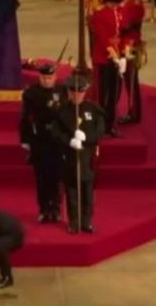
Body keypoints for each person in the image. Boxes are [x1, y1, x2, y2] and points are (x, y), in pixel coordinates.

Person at [52, 75, 104, 234]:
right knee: (72, 192)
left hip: (87, 157)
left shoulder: (93, 110)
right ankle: (74, 221)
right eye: (73, 92)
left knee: (87, 192)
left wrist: (87, 138)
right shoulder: (61, 111)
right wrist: (69, 141)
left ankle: (87, 221)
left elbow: (100, 129)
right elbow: (55, 132)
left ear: (84, 93)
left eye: (80, 93)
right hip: (69, 156)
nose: (76, 95)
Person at [19, 62, 64, 223]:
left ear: (55, 77)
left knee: (57, 177)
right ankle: (44, 208)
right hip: (40, 139)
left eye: (49, 77)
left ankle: (56, 208)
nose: (46, 81)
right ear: (39, 77)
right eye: (44, 77)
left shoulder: (61, 91)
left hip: (58, 140)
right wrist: (25, 140)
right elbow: (25, 118)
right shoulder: (32, 93)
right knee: (42, 177)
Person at [89, 0, 127, 137]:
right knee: (103, 95)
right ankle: (101, 126)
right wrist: (115, 56)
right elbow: (103, 38)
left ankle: (110, 125)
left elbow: (122, 33)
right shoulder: (100, 13)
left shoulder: (118, 12)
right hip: (104, 60)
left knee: (115, 94)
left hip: (117, 59)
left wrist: (124, 54)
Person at [120, 0, 148, 125]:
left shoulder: (133, 3)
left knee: (131, 80)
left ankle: (134, 112)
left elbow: (124, 24)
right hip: (130, 41)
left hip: (129, 43)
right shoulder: (133, 0)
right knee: (130, 79)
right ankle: (133, 110)